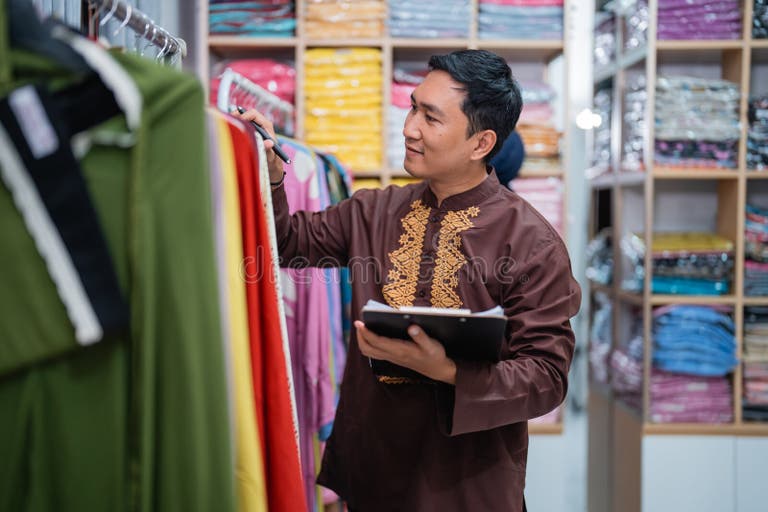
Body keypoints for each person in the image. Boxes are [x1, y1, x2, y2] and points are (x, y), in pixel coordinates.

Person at [238, 49, 581, 512]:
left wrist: (448, 371)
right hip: (372, 476)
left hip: (468, 487)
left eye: (431, 117)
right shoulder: (374, 209)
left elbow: (547, 376)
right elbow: (286, 242)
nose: (409, 127)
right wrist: (274, 176)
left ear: (481, 143)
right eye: (413, 107)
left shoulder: (531, 242)